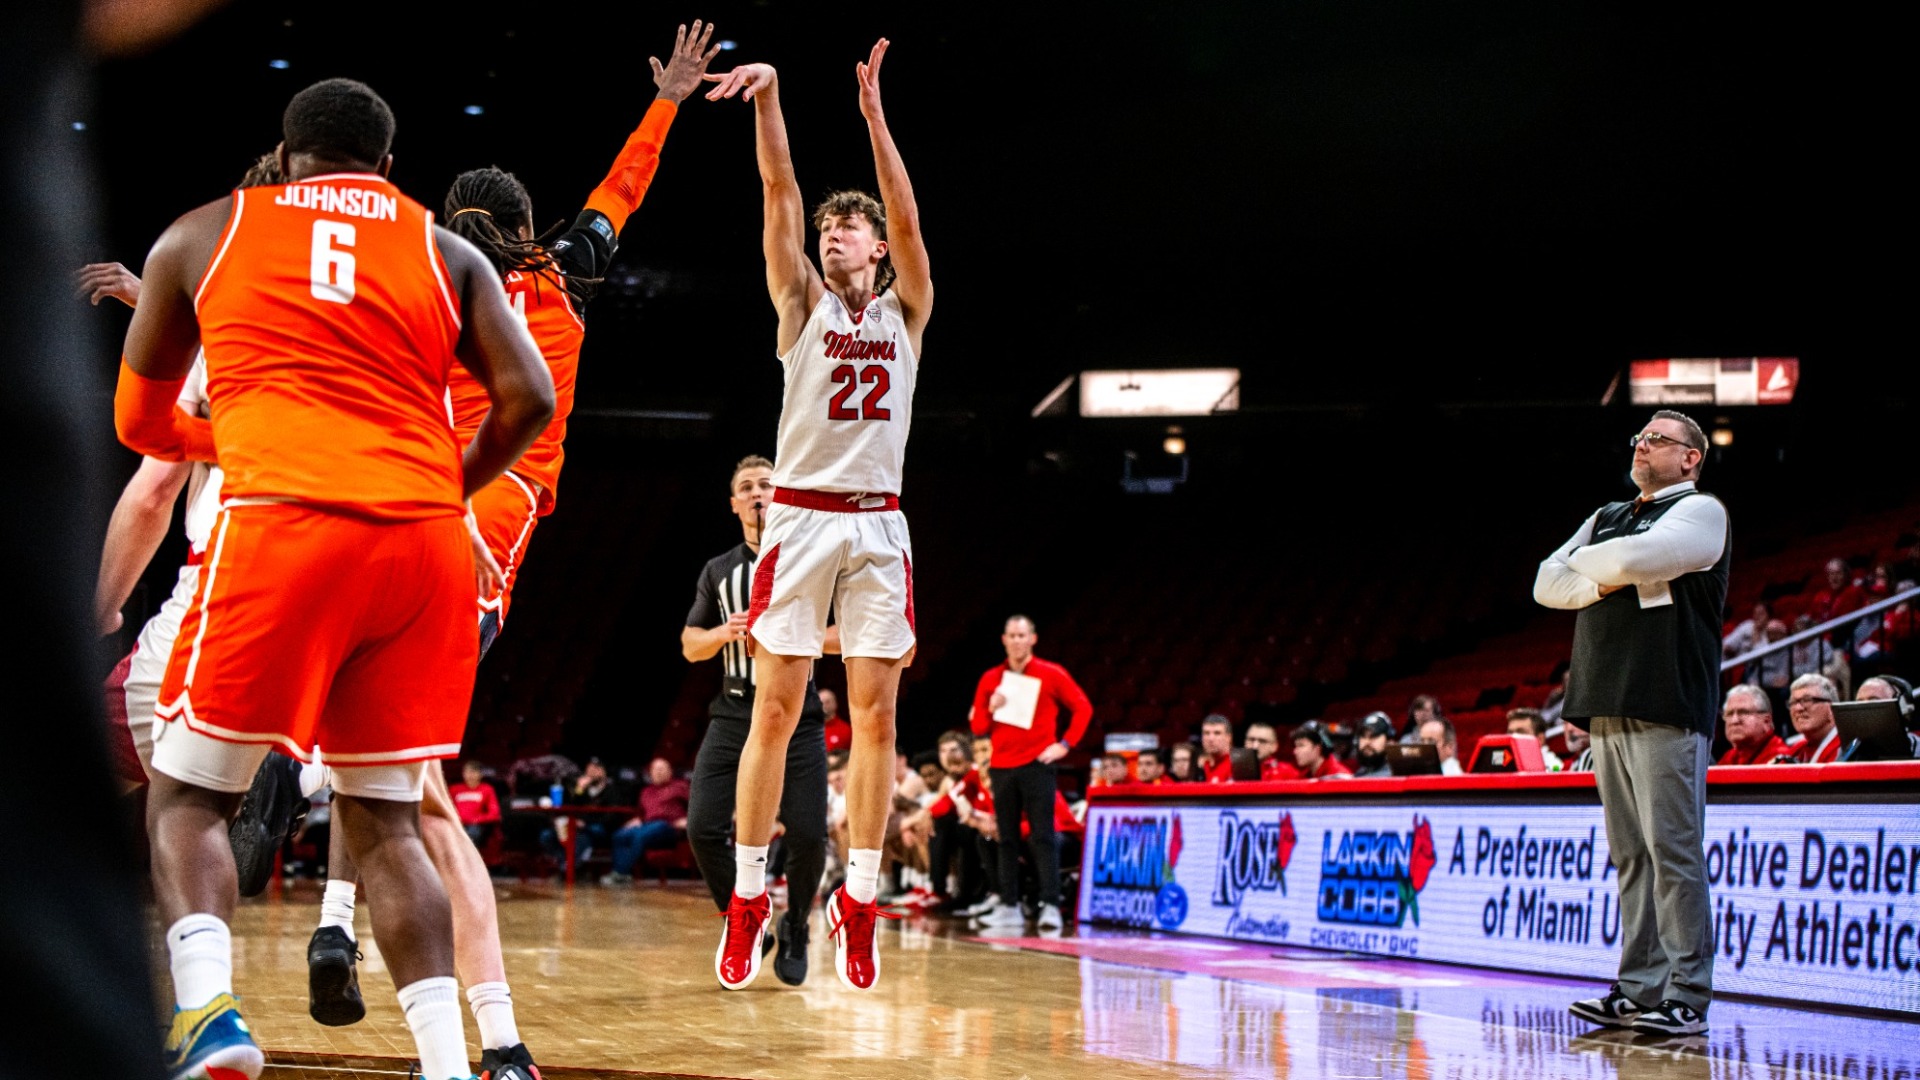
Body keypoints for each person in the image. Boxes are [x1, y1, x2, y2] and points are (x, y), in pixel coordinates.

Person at [117, 77, 555, 1080]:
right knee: (389, 821)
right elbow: (525, 398)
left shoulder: (203, 232)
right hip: (423, 549)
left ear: (290, 151)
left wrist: (219, 433)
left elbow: (138, 426)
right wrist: (446, 484)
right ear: (388, 167)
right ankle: (449, 1065)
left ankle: (211, 1017)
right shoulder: (448, 250)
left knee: (187, 798)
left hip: (285, 524)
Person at [303, 32, 717, 1077]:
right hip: (482, 530)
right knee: (403, 767)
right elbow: (623, 188)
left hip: (389, 510)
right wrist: (664, 103)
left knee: (374, 757)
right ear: (531, 228)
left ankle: (335, 911)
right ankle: (471, 1024)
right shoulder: (562, 277)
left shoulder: (427, 279)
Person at [703, 38, 933, 993]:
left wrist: (877, 120)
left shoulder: (906, 310)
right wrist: (771, 101)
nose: (835, 236)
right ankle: (752, 893)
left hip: (879, 523)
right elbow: (779, 191)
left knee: (876, 719)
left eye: (851, 231)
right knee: (777, 709)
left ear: (876, 251)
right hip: (798, 521)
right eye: (831, 228)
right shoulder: (801, 303)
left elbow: (912, 221)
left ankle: (862, 898)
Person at [1535, 409, 1729, 1038]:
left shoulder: (1702, 511)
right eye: (1640, 438)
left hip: (1667, 698)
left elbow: (1652, 554)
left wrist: (1596, 565)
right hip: (1605, 697)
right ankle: (1639, 986)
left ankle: (1686, 995)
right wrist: (1614, 574)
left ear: (1690, 458)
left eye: (1658, 440)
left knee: (1672, 851)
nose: (1642, 446)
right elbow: (1546, 583)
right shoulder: (1607, 515)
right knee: (1630, 856)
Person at [681, 453, 837, 984]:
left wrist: (790, 634)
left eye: (766, 485)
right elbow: (688, 645)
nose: (756, 494)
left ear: (782, 494)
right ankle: (746, 917)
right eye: (746, 486)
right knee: (702, 828)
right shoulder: (718, 571)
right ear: (733, 504)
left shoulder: (810, 561)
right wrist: (724, 633)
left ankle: (796, 925)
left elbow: (845, 635)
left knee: (809, 835)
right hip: (733, 713)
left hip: (797, 716)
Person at [968, 614, 1093, 930]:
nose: (1017, 641)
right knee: (1006, 837)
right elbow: (979, 727)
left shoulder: (1051, 674)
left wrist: (1064, 745)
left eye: (1022, 635)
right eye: (1012, 635)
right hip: (1002, 767)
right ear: (1004, 640)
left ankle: (1050, 904)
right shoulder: (991, 678)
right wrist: (990, 707)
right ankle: (1010, 905)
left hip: (1038, 765)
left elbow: (1083, 708)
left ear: (1033, 639)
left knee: (1043, 836)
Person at [605, 758, 692, 883]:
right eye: (655, 769)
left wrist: (689, 819)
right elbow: (642, 813)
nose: (658, 772)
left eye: (661, 769)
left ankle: (621, 872)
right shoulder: (646, 791)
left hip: (669, 827)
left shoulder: (680, 786)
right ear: (650, 773)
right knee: (619, 835)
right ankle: (621, 872)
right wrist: (637, 820)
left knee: (641, 834)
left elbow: (698, 805)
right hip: (648, 825)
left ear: (670, 772)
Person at [1716, 685, 1790, 765]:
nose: (1735, 721)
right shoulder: (1729, 757)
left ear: (1766, 721)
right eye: (1729, 714)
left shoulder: (1780, 758)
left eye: (1743, 712)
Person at [1784, 673, 1841, 763]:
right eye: (1793, 702)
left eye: (1807, 700)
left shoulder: (1846, 748)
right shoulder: (1797, 749)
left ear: (1831, 709)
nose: (1798, 708)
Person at [449, 761, 503, 847]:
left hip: (476, 825)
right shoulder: (454, 789)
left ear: (480, 774)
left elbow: (494, 813)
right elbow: (447, 807)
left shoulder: (487, 789)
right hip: (456, 823)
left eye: (473, 772)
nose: (470, 775)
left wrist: (476, 819)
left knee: (472, 833)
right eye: (467, 772)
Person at [1351, 712, 1395, 778]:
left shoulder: (1395, 774)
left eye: (1374, 736)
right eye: (1363, 736)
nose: (1367, 742)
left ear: (1389, 742)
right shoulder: (1359, 773)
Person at [1197, 714, 1236, 783]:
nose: (1211, 738)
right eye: (1206, 733)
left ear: (1229, 738)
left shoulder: (1237, 767)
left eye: (1217, 733)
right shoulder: (1201, 768)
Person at [819, 687, 853, 754]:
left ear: (835, 704)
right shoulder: (810, 729)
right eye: (820, 703)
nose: (823, 706)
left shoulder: (846, 730)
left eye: (827, 702)